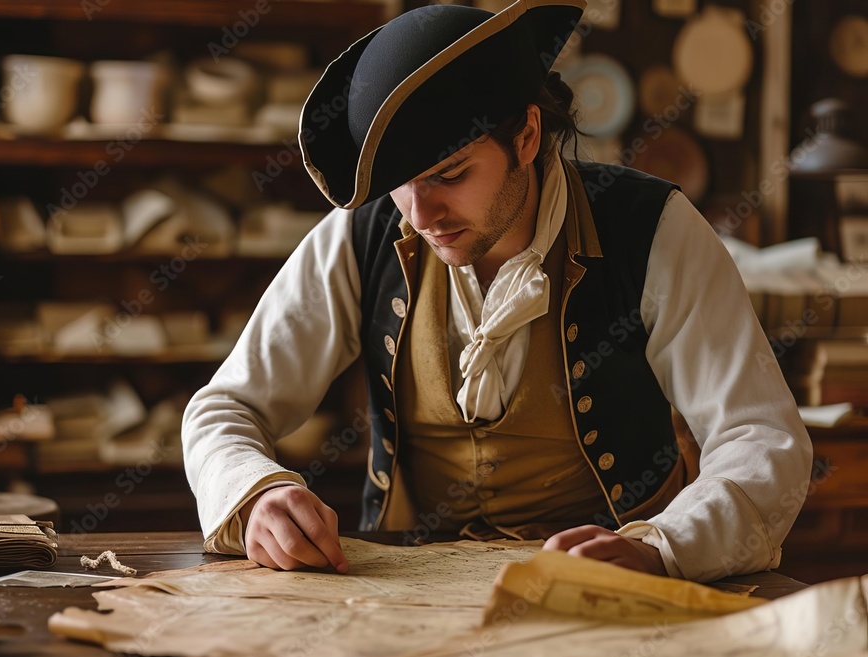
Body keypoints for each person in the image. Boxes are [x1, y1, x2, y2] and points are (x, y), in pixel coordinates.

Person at [182, 0, 812, 583]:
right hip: (399, 600)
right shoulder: (361, 235)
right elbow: (224, 409)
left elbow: (760, 439)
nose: (421, 214)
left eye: (451, 175)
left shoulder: (653, 230)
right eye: (401, 184)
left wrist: (660, 547)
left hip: (605, 597)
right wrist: (256, 490)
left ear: (527, 137)